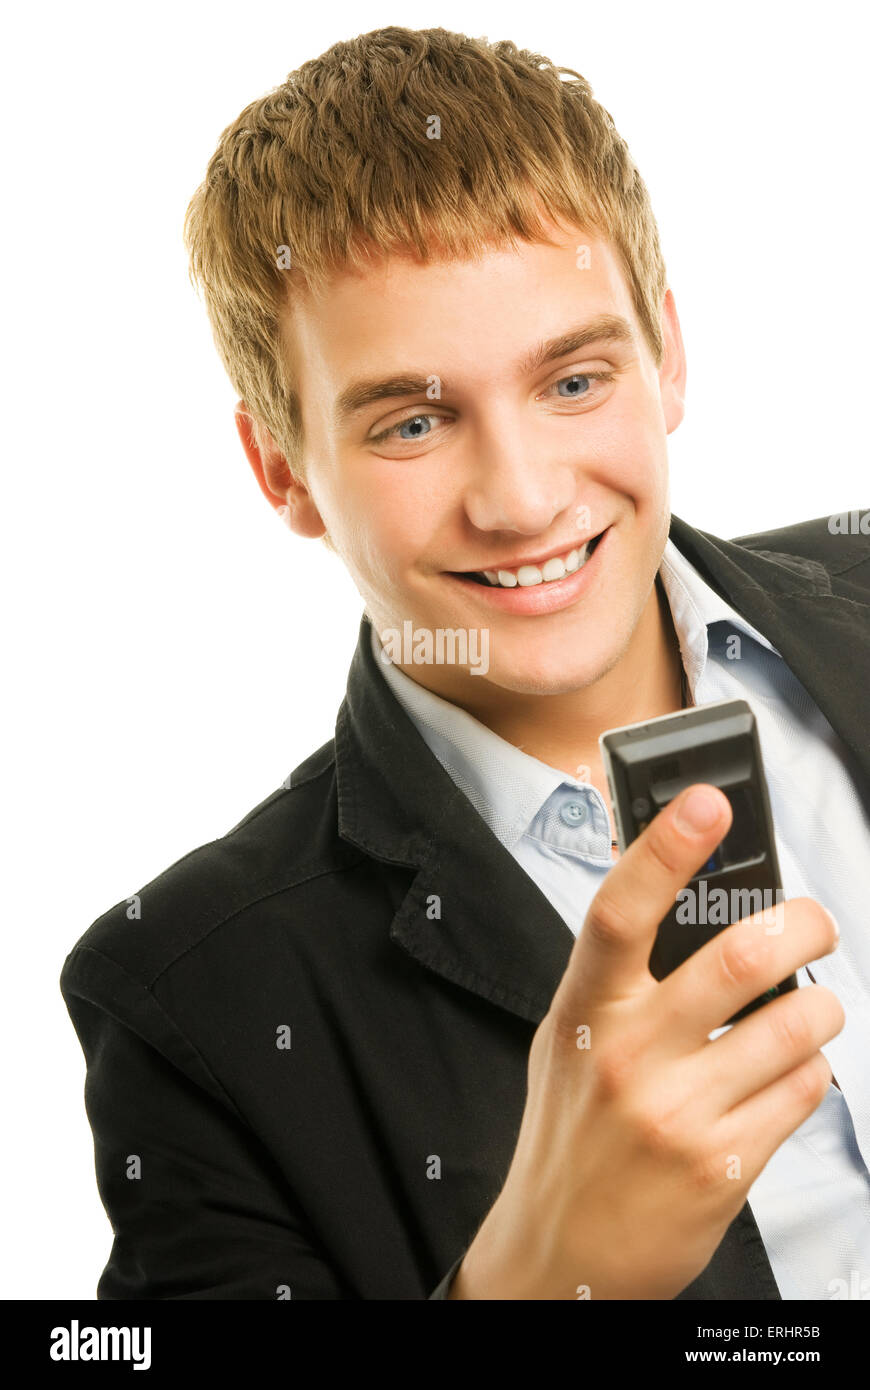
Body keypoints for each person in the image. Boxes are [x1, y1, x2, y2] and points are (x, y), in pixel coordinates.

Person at [60, 24, 870, 1301]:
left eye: (573, 379)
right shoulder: (193, 1009)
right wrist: (541, 1280)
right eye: (417, 420)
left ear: (665, 355)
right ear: (282, 468)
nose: (524, 497)